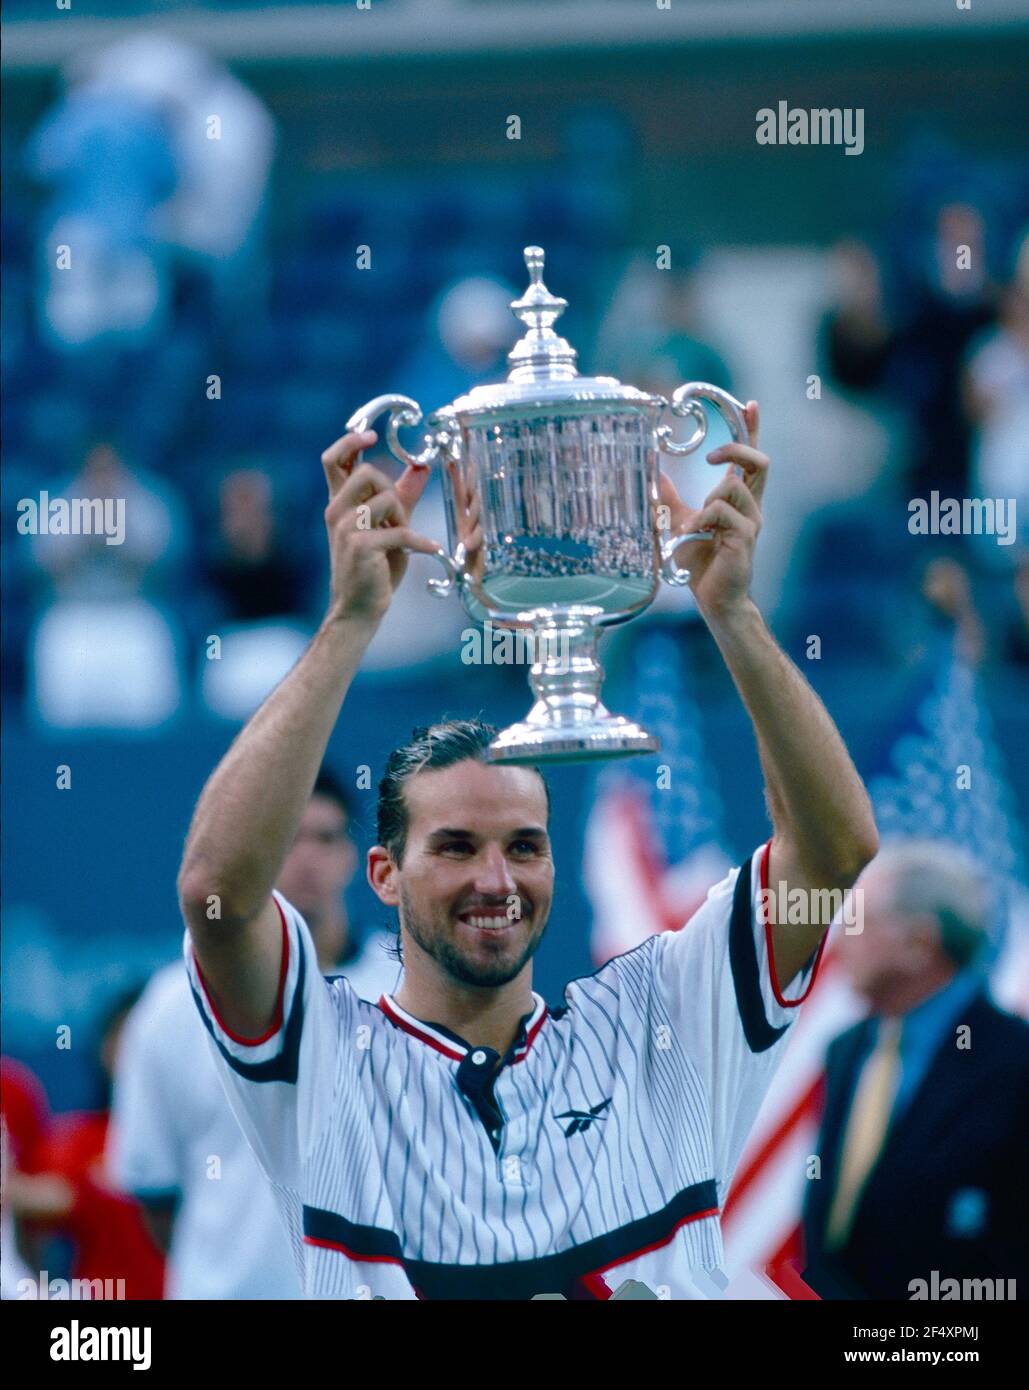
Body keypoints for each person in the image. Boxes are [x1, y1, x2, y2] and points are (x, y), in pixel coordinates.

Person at [176, 405, 878, 1299]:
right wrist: (351, 619)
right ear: (383, 875)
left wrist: (730, 612)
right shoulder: (324, 1057)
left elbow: (834, 853)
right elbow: (215, 896)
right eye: (457, 847)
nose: (496, 879)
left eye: (525, 846)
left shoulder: (660, 1019)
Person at [109, 769, 397, 1299]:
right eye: (288, 838)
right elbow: (155, 1198)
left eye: (327, 837)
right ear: (256, 851)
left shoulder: (408, 986)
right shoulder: (170, 1007)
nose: (308, 857)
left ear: (357, 857)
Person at [802, 840, 1029, 1300]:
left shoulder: (1016, 1064)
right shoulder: (845, 1051)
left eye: (858, 923)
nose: (838, 940)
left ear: (920, 943)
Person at [5, 992, 164, 1300]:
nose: (135, 1051)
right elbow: (46, 1202)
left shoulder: (195, 1140)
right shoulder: (79, 1140)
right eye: (124, 1037)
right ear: (104, 1049)